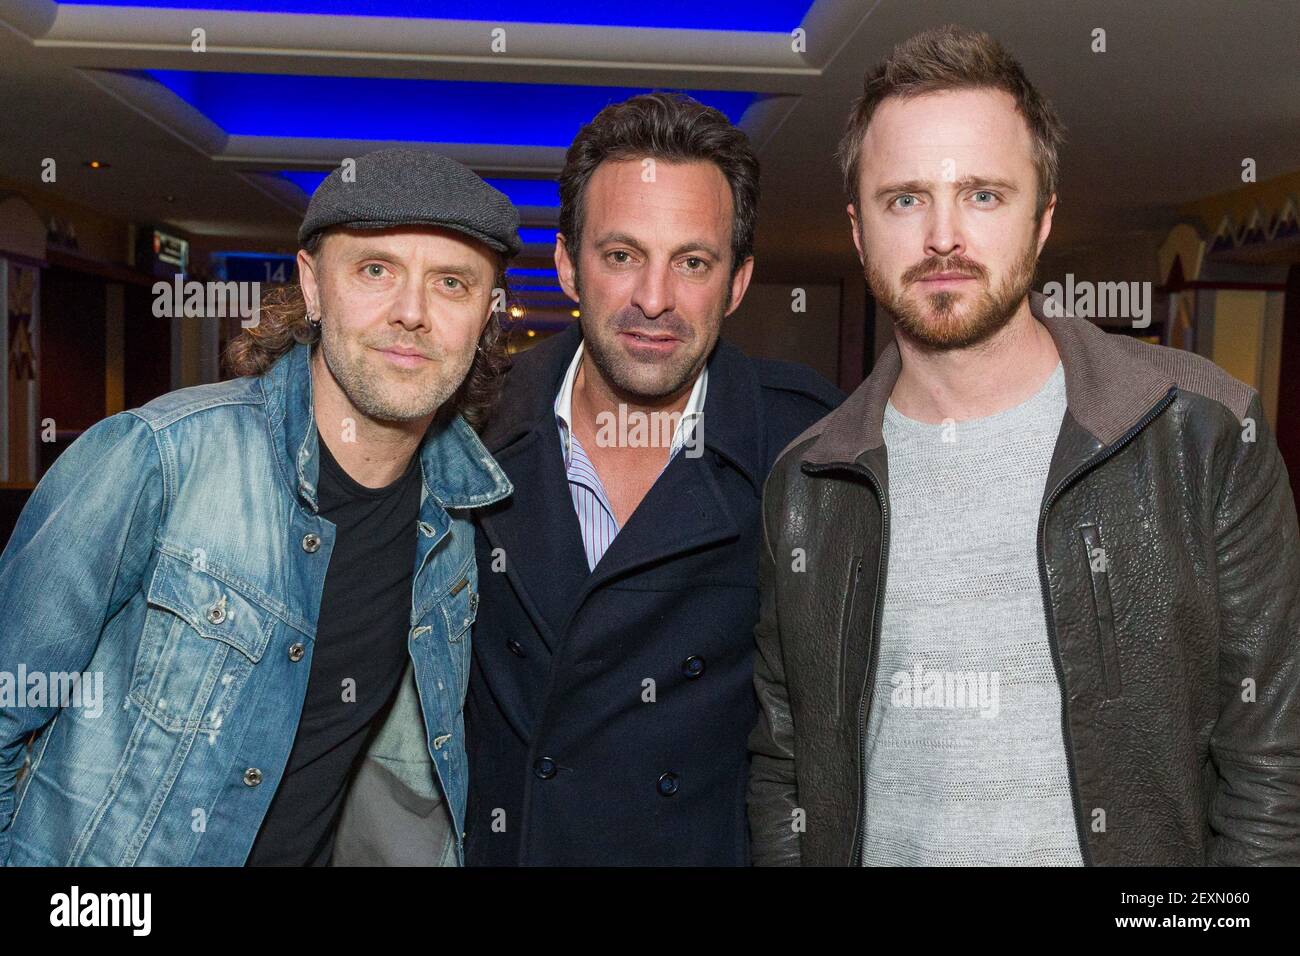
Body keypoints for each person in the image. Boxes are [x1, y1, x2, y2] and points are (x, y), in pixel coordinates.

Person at [747, 25, 1300, 866]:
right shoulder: (808, 481)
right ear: (859, 232)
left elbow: (1271, 773)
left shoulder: (1205, 432)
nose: (942, 236)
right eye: (904, 199)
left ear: (1042, 221)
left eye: (982, 195)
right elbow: (784, 767)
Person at [0, 148, 519, 866]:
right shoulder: (157, 458)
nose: (411, 313)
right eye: (375, 270)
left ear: (486, 314)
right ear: (312, 285)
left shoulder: (456, 525)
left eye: (452, 283)